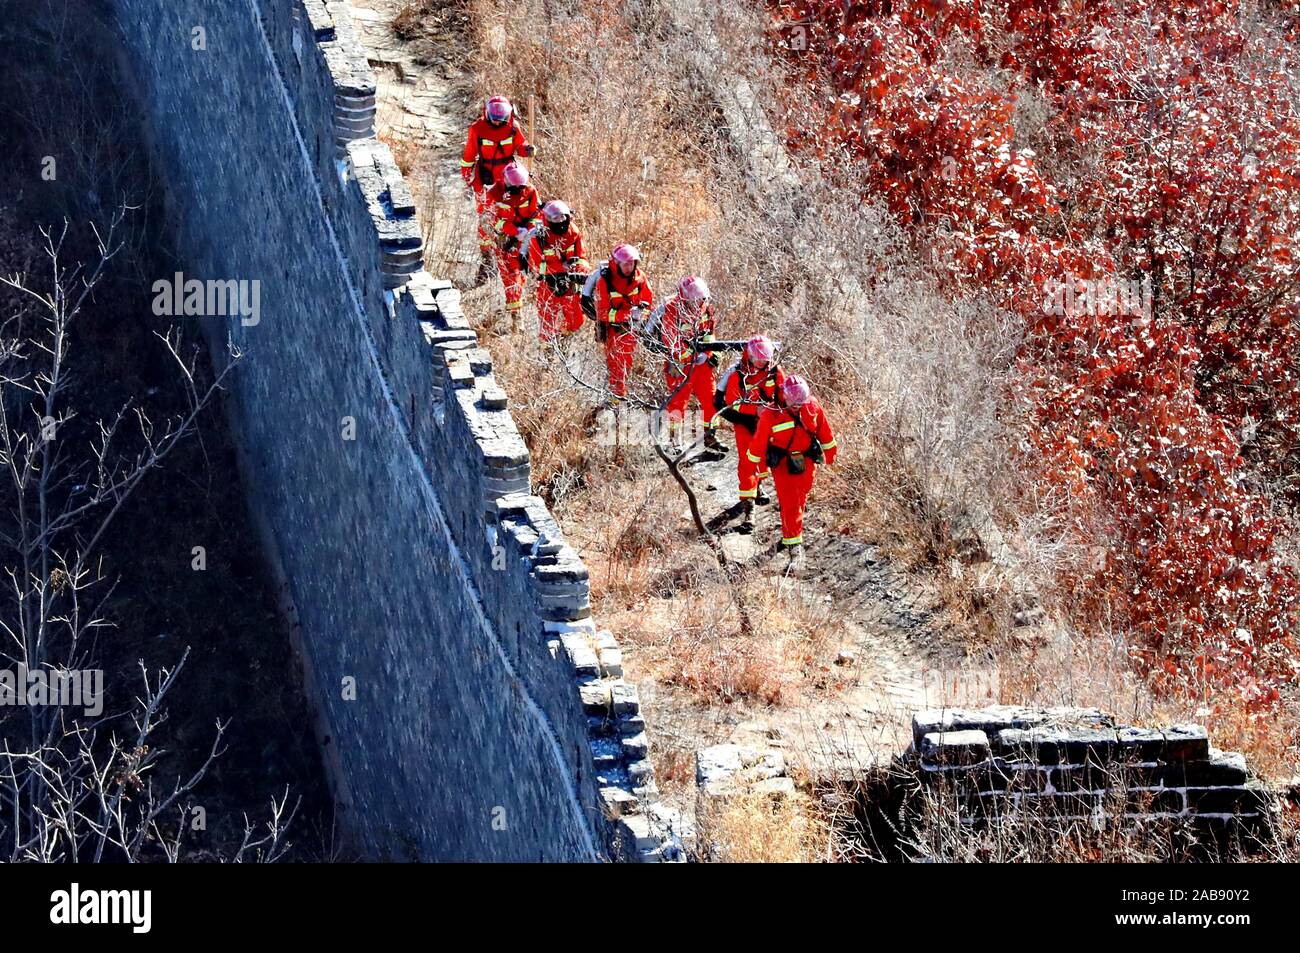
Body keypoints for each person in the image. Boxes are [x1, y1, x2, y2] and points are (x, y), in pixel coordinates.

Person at [745, 374, 837, 566]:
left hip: (807, 461)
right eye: (792, 402)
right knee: (791, 503)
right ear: (783, 396)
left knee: (800, 498)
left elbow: (825, 432)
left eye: (799, 402)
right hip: (783, 465)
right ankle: (795, 547)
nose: (796, 405)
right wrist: (755, 467)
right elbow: (759, 443)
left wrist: (831, 457)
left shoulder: (811, 406)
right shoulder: (771, 413)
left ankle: (791, 530)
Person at [710, 334, 784, 533]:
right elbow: (733, 403)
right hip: (744, 423)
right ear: (750, 356)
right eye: (759, 357)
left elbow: (783, 396)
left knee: (763, 461)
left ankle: (758, 487)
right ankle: (748, 508)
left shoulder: (775, 372)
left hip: (767, 424)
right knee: (747, 463)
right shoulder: (737, 375)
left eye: (766, 358)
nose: (763, 361)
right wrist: (755, 411)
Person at [643, 275, 725, 449]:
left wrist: (711, 353)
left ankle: (710, 437)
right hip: (679, 365)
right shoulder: (673, 309)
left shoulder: (706, 308)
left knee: (712, 399)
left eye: (701, 299)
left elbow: (710, 333)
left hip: (702, 363)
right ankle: (675, 441)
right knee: (678, 404)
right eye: (694, 300)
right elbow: (672, 342)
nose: (698, 303)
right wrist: (693, 355)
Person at [460, 96, 535, 272]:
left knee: (508, 214)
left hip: (509, 179)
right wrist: (466, 175)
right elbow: (469, 154)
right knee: (486, 217)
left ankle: (510, 250)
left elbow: (520, 146)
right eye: (494, 116)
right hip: (485, 178)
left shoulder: (513, 127)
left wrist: (528, 150)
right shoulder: (477, 128)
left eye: (501, 116)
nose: (497, 120)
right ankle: (487, 259)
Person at [581, 244, 653, 400]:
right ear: (617, 264)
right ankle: (616, 399)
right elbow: (602, 313)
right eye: (625, 264)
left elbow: (648, 302)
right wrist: (627, 315)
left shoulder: (640, 278)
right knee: (617, 366)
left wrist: (641, 316)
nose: (629, 267)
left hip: (633, 329)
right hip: (613, 330)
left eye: (632, 263)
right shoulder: (604, 281)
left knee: (624, 365)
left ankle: (617, 396)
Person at [523, 200, 590, 340]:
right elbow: (535, 265)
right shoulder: (539, 236)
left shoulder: (574, 233)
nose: (560, 221)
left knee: (577, 320)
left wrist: (581, 270)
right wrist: (560, 267)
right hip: (547, 284)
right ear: (548, 219)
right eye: (555, 218)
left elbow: (582, 257)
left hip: (570, 282)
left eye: (562, 217)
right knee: (548, 323)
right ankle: (548, 353)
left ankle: (562, 339)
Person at [485, 161, 540, 321]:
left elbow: (536, 215)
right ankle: (516, 316)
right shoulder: (495, 193)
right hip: (504, 241)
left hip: (524, 242)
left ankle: (516, 309)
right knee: (509, 276)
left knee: (519, 275)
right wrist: (515, 231)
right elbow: (492, 219)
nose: (516, 189)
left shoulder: (530, 191)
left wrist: (528, 232)